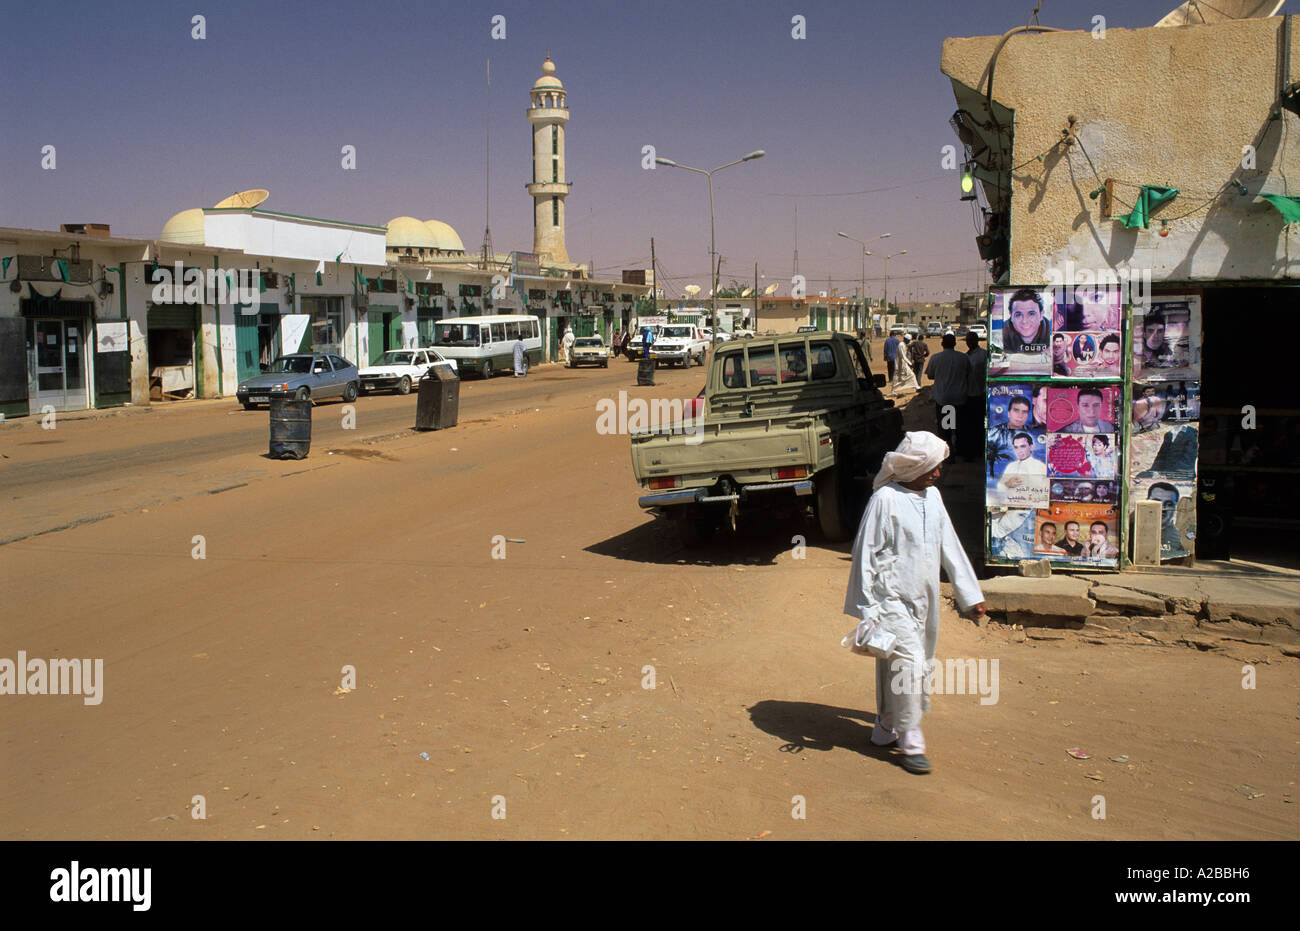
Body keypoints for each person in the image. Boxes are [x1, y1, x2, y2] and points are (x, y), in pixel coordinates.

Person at [842, 431, 985, 775]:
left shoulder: (933, 497)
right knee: (910, 662)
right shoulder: (885, 500)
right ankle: (911, 740)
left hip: (925, 599)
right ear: (910, 467)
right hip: (888, 599)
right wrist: (868, 609)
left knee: (897, 662)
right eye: (931, 467)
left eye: (939, 467)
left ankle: (885, 725)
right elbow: (865, 554)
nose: (937, 473)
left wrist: (971, 595)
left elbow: (949, 545)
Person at [925, 333, 969, 452]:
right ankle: (961, 450)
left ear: (942, 344)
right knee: (960, 427)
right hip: (960, 398)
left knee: (945, 428)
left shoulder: (935, 358)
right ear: (955, 344)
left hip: (944, 399)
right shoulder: (963, 358)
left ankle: (948, 453)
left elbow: (930, 375)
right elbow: (968, 373)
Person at [958, 332, 988, 461]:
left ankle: (979, 451)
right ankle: (968, 452)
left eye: (971, 340)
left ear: (976, 340)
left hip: (979, 395)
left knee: (978, 426)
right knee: (967, 426)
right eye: (967, 340)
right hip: (966, 396)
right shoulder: (965, 356)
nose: (969, 342)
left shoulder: (983, 355)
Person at [995, 432, 1047, 503]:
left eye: (1023, 446)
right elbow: (999, 488)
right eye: (1016, 447)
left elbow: (1045, 494)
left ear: (1031, 447)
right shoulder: (1011, 466)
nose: (1019, 451)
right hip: (1010, 505)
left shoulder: (1040, 466)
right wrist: (1007, 484)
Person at [1003, 288, 1050, 354]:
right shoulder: (1002, 333)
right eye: (1018, 315)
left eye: (1031, 314)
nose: (1024, 321)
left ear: (1041, 315)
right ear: (1011, 316)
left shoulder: (1052, 333)